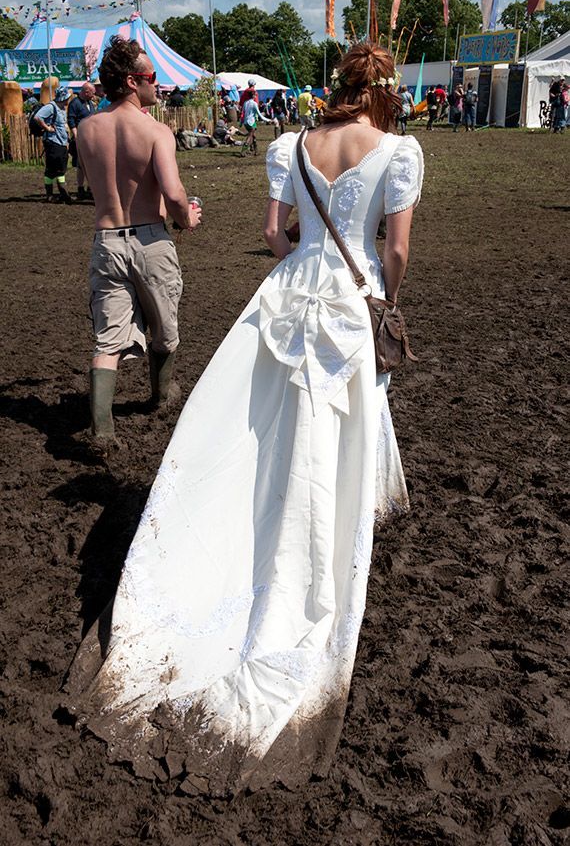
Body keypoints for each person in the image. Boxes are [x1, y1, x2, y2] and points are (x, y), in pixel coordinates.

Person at [67, 41, 423, 794]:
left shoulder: (290, 142)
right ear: (384, 90)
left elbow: (273, 234)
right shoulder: (397, 151)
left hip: (288, 294)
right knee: (331, 431)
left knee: (261, 428)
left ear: (339, 87)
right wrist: (380, 294)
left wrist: (306, 252)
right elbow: (394, 251)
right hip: (348, 308)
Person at [76, 36, 202, 447]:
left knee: (108, 338)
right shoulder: (155, 130)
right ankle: (161, 396)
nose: (158, 83)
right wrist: (187, 218)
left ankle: (102, 429)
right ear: (132, 82)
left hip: (106, 240)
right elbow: (173, 192)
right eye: (152, 76)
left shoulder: (86, 129)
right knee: (164, 330)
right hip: (150, 241)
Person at [34, 85, 73, 204]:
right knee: (54, 169)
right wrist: (47, 128)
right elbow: (37, 117)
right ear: (63, 98)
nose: (68, 100)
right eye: (67, 98)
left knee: (59, 168)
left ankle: (58, 194)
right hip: (53, 142)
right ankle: (59, 194)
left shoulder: (60, 108)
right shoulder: (51, 107)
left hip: (60, 142)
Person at [67, 81, 96, 199]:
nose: (94, 95)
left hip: (92, 138)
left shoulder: (90, 103)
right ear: (86, 91)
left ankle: (90, 188)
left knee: (91, 164)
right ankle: (80, 188)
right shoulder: (75, 103)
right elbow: (71, 120)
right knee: (80, 164)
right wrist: (76, 135)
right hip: (80, 138)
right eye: (92, 93)